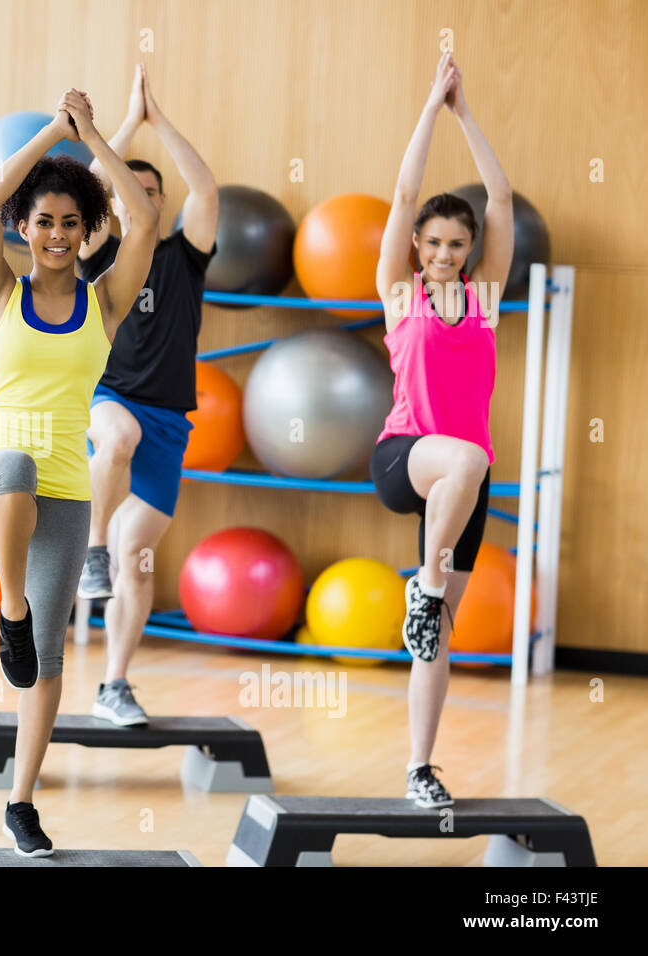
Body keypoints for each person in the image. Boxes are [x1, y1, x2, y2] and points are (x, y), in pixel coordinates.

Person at [0, 89, 159, 856]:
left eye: (71, 222)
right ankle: (8, 608)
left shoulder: (104, 303)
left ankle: (21, 802)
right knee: (14, 466)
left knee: (45, 662)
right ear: (26, 228)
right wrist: (53, 131)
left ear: (86, 229)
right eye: (44, 221)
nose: (57, 235)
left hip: (68, 491)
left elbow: (145, 219)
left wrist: (95, 137)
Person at [372, 53, 513, 808]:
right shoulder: (401, 298)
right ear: (417, 249)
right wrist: (432, 106)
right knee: (464, 458)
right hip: (406, 460)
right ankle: (423, 588)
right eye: (432, 244)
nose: (443, 255)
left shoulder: (485, 300)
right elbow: (403, 195)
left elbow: (501, 198)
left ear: (470, 250)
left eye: (457, 244)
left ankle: (419, 768)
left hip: (464, 486)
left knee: (439, 633)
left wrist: (468, 114)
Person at [76, 64, 218, 726]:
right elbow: (91, 185)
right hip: (108, 396)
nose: (140, 197)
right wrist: (125, 125)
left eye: (151, 191)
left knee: (137, 562)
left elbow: (205, 187)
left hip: (169, 422)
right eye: (128, 189)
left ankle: (114, 684)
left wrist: (157, 121)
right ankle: (91, 546)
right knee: (117, 438)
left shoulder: (186, 255)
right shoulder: (101, 253)